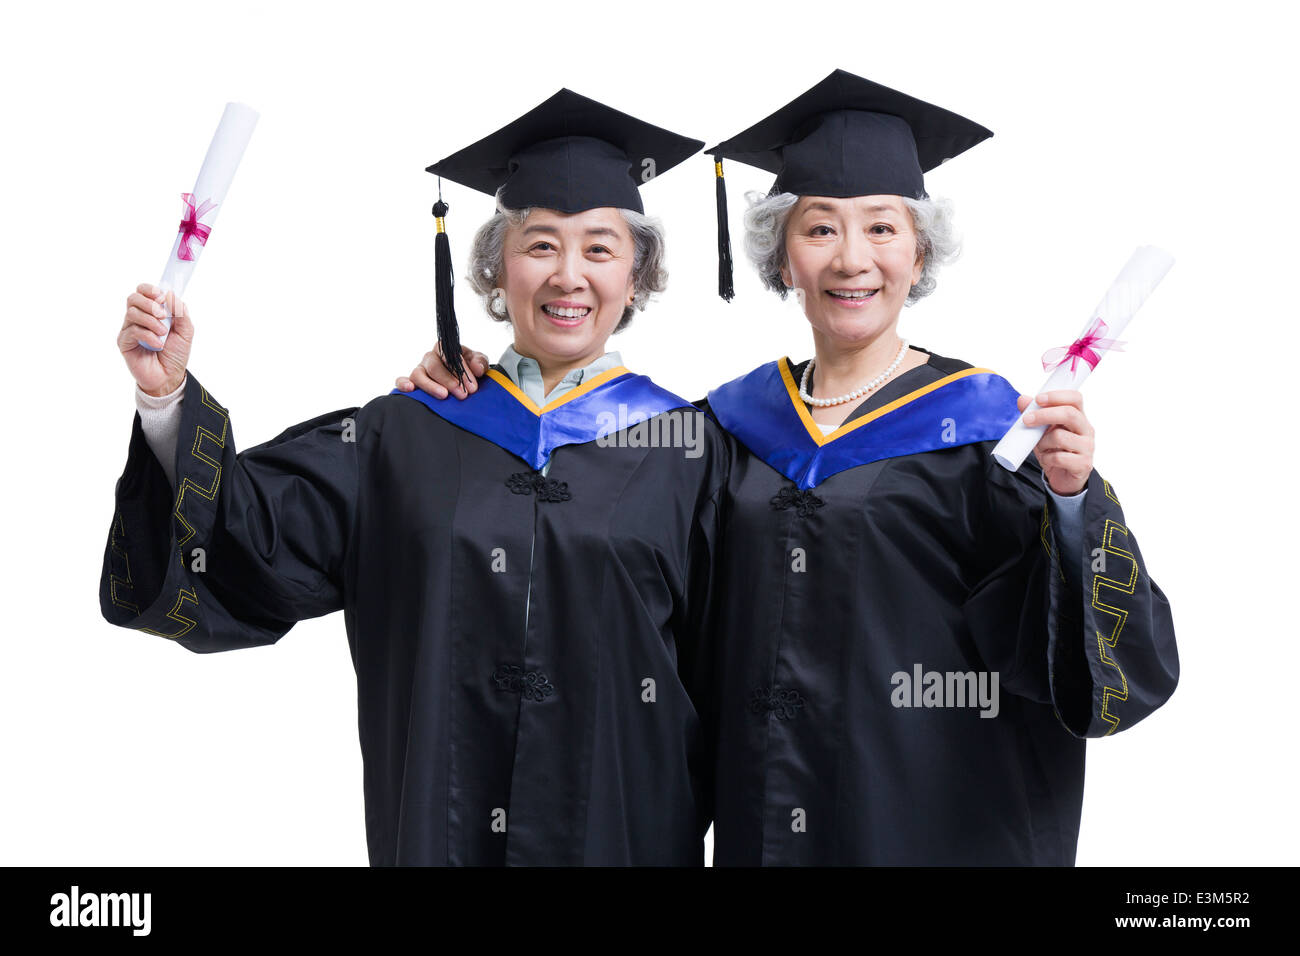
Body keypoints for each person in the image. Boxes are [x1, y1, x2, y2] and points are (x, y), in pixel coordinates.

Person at [399, 70, 1179, 866]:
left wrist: (1073, 498)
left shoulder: (989, 430)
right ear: (782, 259)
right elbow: (613, 580)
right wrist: (480, 390)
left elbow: (1093, 663)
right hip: (765, 828)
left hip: (937, 825)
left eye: (882, 229)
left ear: (920, 255)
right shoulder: (726, 428)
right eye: (819, 230)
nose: (852, 260)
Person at [101, 89, 731, 866]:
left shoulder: (696, 453)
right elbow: (245, 537)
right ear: (497, 270)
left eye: (600, 249)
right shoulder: (400, 435)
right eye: (540, 246)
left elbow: (744, 676)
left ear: (636, 277)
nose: (569, 275)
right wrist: (166, 398)